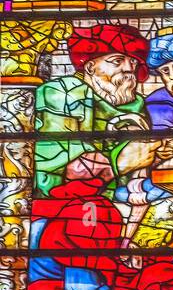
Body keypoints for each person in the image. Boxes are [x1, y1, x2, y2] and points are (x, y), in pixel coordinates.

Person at [34, 23, 151, 195]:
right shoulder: (60, 93)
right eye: (117, 61)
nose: (129, 68)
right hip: (65, 206)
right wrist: (119, 165)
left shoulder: (137, 105)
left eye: (133, 61)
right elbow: (69, 172)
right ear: (90, 67)